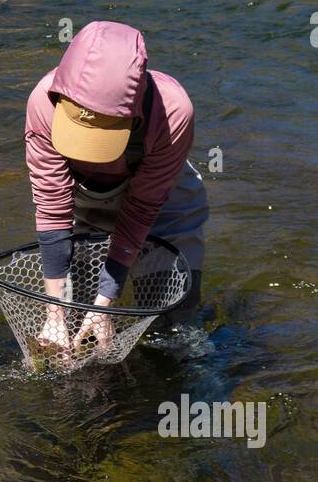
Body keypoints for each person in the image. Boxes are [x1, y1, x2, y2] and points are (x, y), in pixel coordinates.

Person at [24, 20, 207, 356]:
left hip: (161, 198)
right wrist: (55, 311)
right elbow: (53, 206)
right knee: (76, 326)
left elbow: (141, 209)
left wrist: (105, 305)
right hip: (85, 197)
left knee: (174, 326)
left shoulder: (174, 112)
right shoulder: (42, 103)